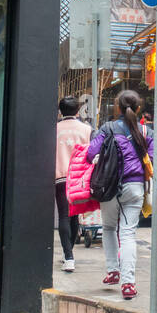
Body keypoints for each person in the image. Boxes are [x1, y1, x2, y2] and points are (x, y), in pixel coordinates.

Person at [85, 90, 152, 301]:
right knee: (128, 234)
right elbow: (153, 160)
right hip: (134, 186)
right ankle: (128, 284)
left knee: (109, 228)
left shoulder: (107, 128)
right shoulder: (145, 131)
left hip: (108, 185)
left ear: (117, 108)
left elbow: (90, 154)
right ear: (139, 108)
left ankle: (113, 271)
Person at [55, 96, 90, 273]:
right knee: (74, 215)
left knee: (63, 215)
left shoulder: (54, 129)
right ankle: (69, 253)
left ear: (60, 111)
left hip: (60, 177)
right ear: (78, 111)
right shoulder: (86, 130)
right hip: (80, 178)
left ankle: (68, 256)